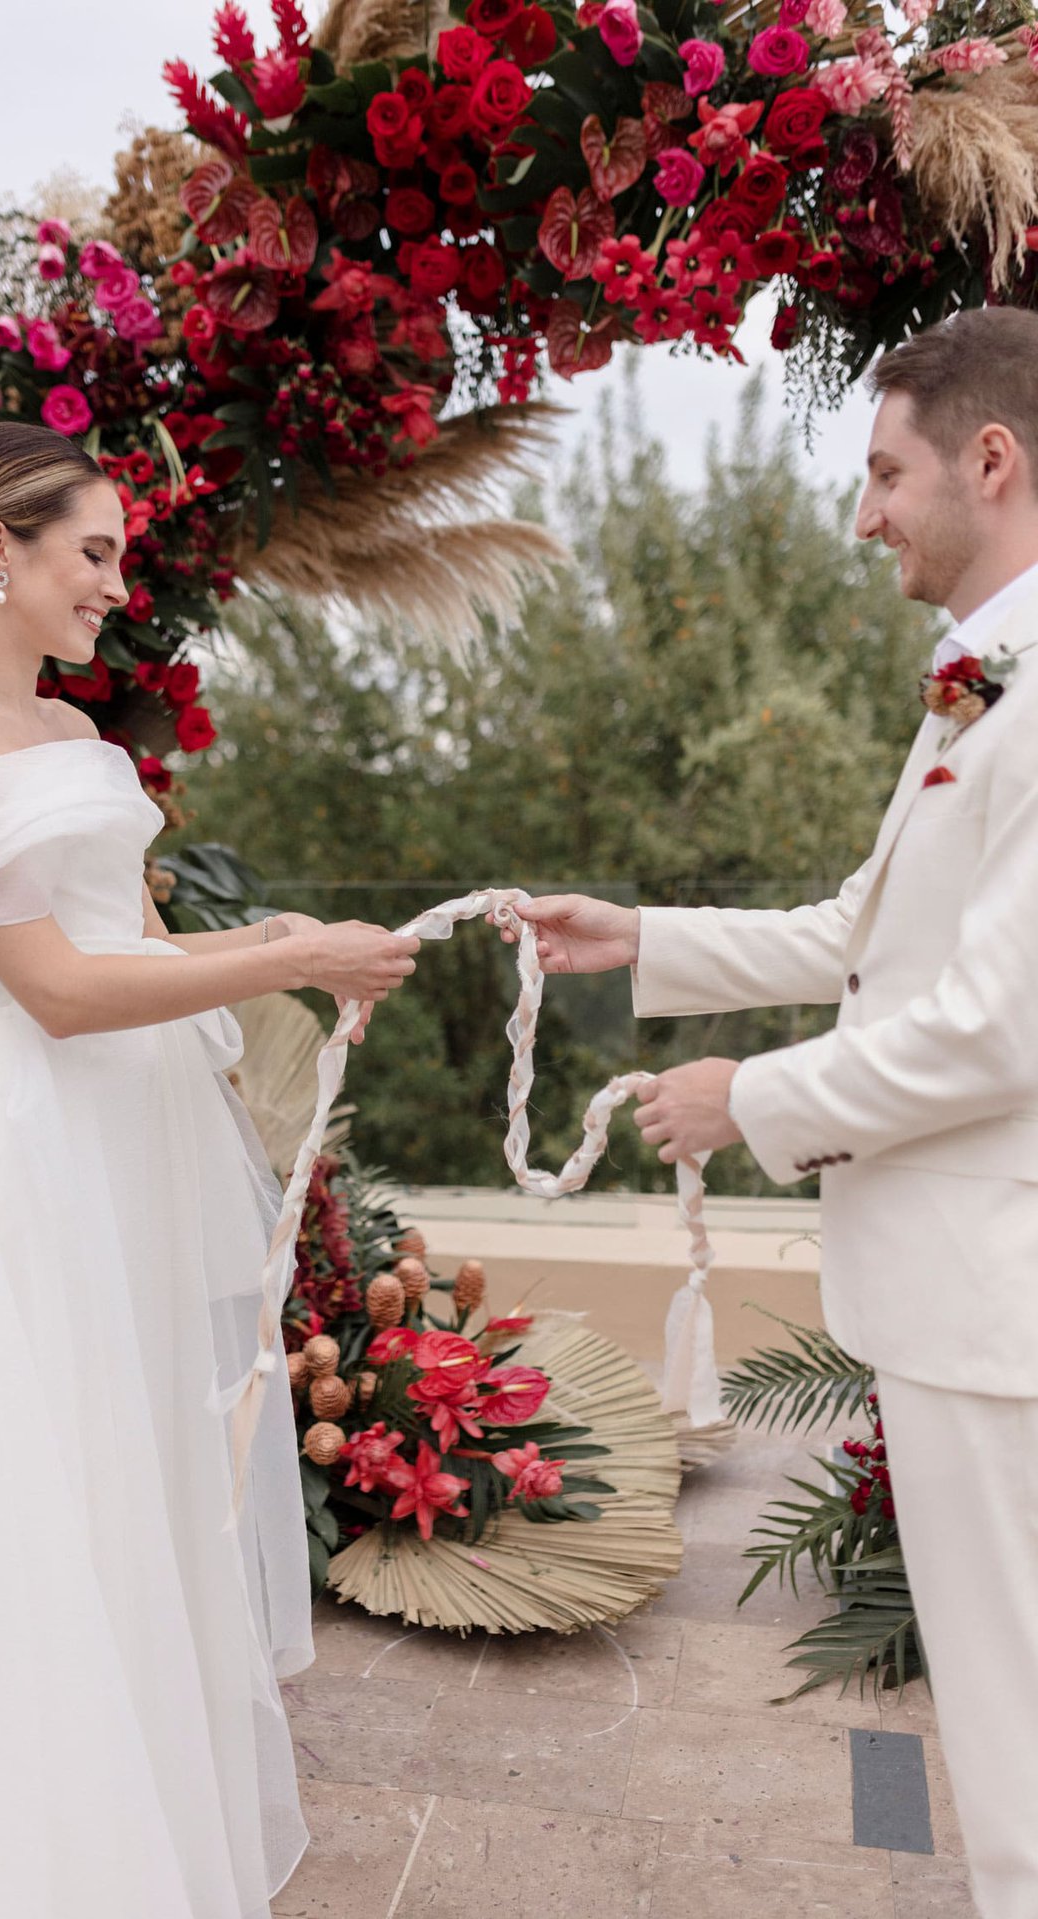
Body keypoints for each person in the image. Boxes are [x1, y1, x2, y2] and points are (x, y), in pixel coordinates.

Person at [0, 422, 419, 1917]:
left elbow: (138, 951)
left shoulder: (78, 740)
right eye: (98, 553)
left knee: (130, 1468)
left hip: (128, 1140)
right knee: (28, 1472)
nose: (120, 587)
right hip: (22, 1142)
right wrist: (291, 959)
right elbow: (53, 988)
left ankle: (129, 1811)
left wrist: (283, 948)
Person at [509, 305, 1038, 1919]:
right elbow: (864, 935)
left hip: (999, 1305)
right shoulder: (986, 686)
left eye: (884, 472)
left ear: (993, 461)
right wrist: (641, 939)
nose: (864, 513)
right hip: (965, 1299)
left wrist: (750, 1095)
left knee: (1018, 1732)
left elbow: (1001, 1026)